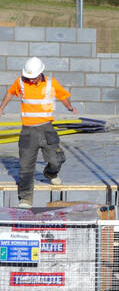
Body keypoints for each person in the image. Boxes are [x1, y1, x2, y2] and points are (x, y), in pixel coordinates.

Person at [0, 57, 76, 208]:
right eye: (28, 77)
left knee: (56, 159)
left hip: (47, 128)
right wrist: (1, 107)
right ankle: (26, 199)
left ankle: (51, 173)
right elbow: (10, 93)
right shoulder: (21, 82)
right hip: (28, 131)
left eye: (33, 77)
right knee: (26, 166)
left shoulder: (50, 83)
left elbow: (63, 96)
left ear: (40, 73)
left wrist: (69, 107)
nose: (30, 80)